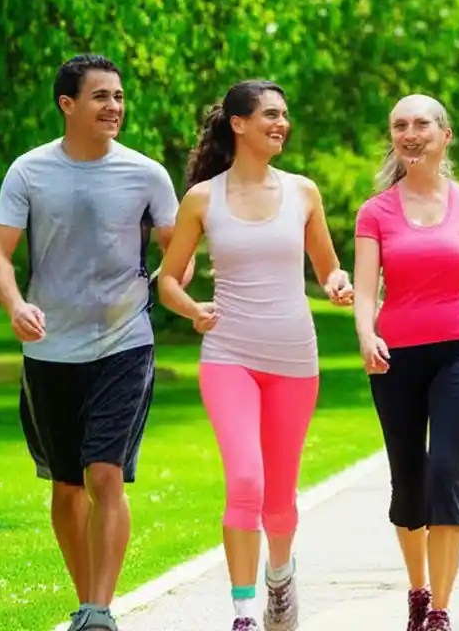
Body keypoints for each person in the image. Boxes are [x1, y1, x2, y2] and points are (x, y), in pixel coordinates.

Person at [0, 54, 184, 631]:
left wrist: (169, 279)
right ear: (67, 104)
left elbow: (178, 249)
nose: (114, 106)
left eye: (118, 96)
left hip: (125, 343)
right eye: (101, 96)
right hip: (49, 350)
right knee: (68, 486)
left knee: (104, 474)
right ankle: (86, 604)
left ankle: (99, 609)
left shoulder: (146, 174)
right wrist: (16, 305)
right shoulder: (29, 171)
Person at [156, 80, 354, 631]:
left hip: (294, 358)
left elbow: (328, 268)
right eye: (270, 114)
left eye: (284, 114)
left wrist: (338, 283)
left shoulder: (303, 193)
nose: (281, 123)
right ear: (238, 124)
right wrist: (193, 309)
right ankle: (244, 612)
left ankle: (280, 578)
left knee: (280, 493)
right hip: (229, 355)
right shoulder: (203, 199)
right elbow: (167, 281)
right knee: (245, 480)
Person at [352, 94, 459, 631]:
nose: (410, 133)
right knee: (408, 479)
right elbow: (366, 288)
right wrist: (366, 335)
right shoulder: (374, 212)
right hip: (395, 358)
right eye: (400, 125)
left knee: (445, 471)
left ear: (445, 136)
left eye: (421, 124)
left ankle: (440, 608)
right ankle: (418, 589)